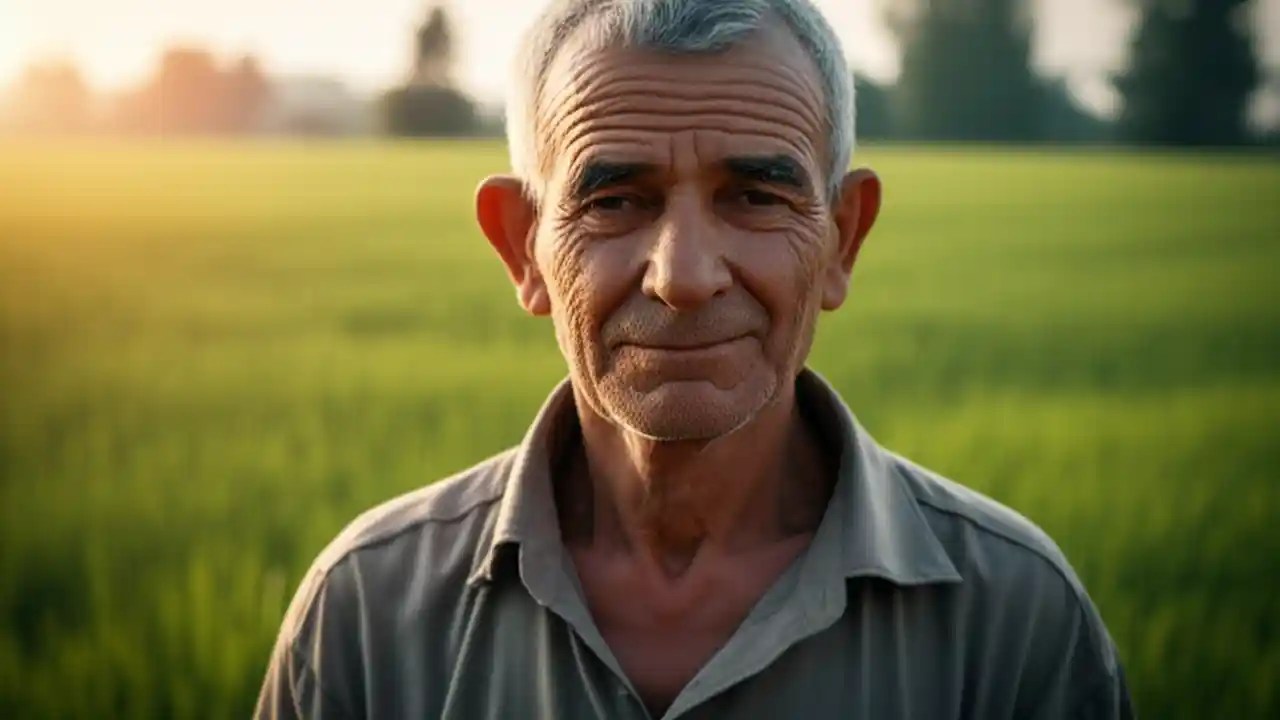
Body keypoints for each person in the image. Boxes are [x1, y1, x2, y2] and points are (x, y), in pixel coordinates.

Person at [255, 1, 1133, 718]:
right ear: (523, 249)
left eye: (755, 196)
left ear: (842, 240)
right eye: (616, 200)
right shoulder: (366, 617)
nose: (683, 276)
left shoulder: (1014, 620)